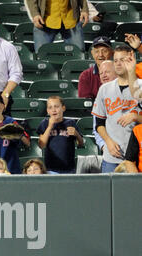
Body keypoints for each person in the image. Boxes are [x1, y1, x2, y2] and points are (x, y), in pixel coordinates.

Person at [92, 45, 142, 173]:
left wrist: (137, 117)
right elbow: (99, 123)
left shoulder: (140, 86)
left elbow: (137, 94)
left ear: (131, 60)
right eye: (115, 60)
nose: (118, 64)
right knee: (108, 193)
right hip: (112, 157)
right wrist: (108, 142)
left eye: (122, 60)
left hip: (138, 157)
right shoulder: (104, 89)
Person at [37, 95, 84, 174]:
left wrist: (76, 134)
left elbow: (80, 144)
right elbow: (41, 145)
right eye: (50, 107)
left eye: (56, 106)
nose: (54, 110)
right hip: (50, 168)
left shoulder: (70, 123)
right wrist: (50, 126)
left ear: (63, 108)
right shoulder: (44, 123)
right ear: (47, 111)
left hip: (69, 168)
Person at [24, 0, 89, 54]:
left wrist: (84, 9)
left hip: (70, 18)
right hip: (45, 20)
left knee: (79, 53)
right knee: (41, 54)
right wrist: (35, 14)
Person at [92, 60, 117, 154]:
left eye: (107, 72)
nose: (103, 75)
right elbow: (97, 127)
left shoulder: (128, 92)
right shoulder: (100, 97)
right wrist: (104, 146)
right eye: (101, 73)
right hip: (109, 150)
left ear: (117, 73)